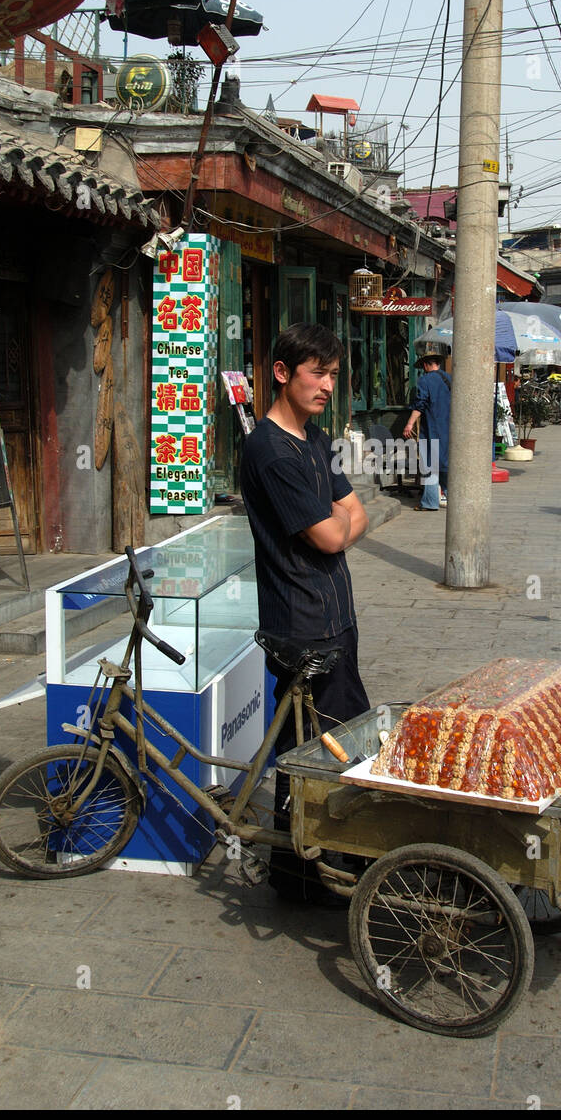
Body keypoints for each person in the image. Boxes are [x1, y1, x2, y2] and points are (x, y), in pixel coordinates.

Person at [239, 323, 370, 900]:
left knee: (327, 741)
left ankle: (299, 867)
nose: (326, 386)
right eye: (317, 373)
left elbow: (353, 515)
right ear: (282, 373)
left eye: (333, 375)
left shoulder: (314, 440)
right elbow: (330, 535)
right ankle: (299, 871)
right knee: (319, 746)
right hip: (302, 624)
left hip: (336, 614)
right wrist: (338, 528)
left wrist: (338, 528)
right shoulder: (268, 450)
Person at [403, 352, 451, 509]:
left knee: (430, 464)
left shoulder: (425, 380)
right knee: (445, 463)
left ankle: (430, 502)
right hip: (449, 428)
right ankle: (451, 496)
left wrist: (409, 424)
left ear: (425, 365)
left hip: (432, 427)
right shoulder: (449, 379)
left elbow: (420, 405)